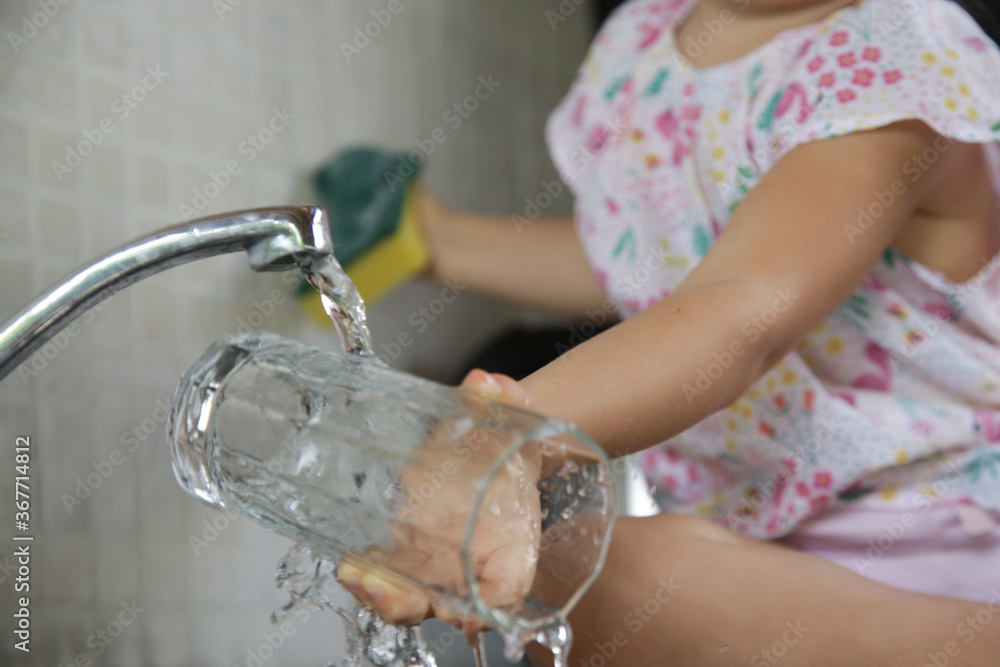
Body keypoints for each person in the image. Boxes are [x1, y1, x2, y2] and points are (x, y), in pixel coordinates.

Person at [339, 0, 1000, 662]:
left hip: (944, 527)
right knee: (563, 589)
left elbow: (743, 307)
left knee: (616, 583)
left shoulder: (890, 60)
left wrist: (515, 432)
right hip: (764, 528)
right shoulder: (647, 39)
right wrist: (446, 246)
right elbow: (651, 267)